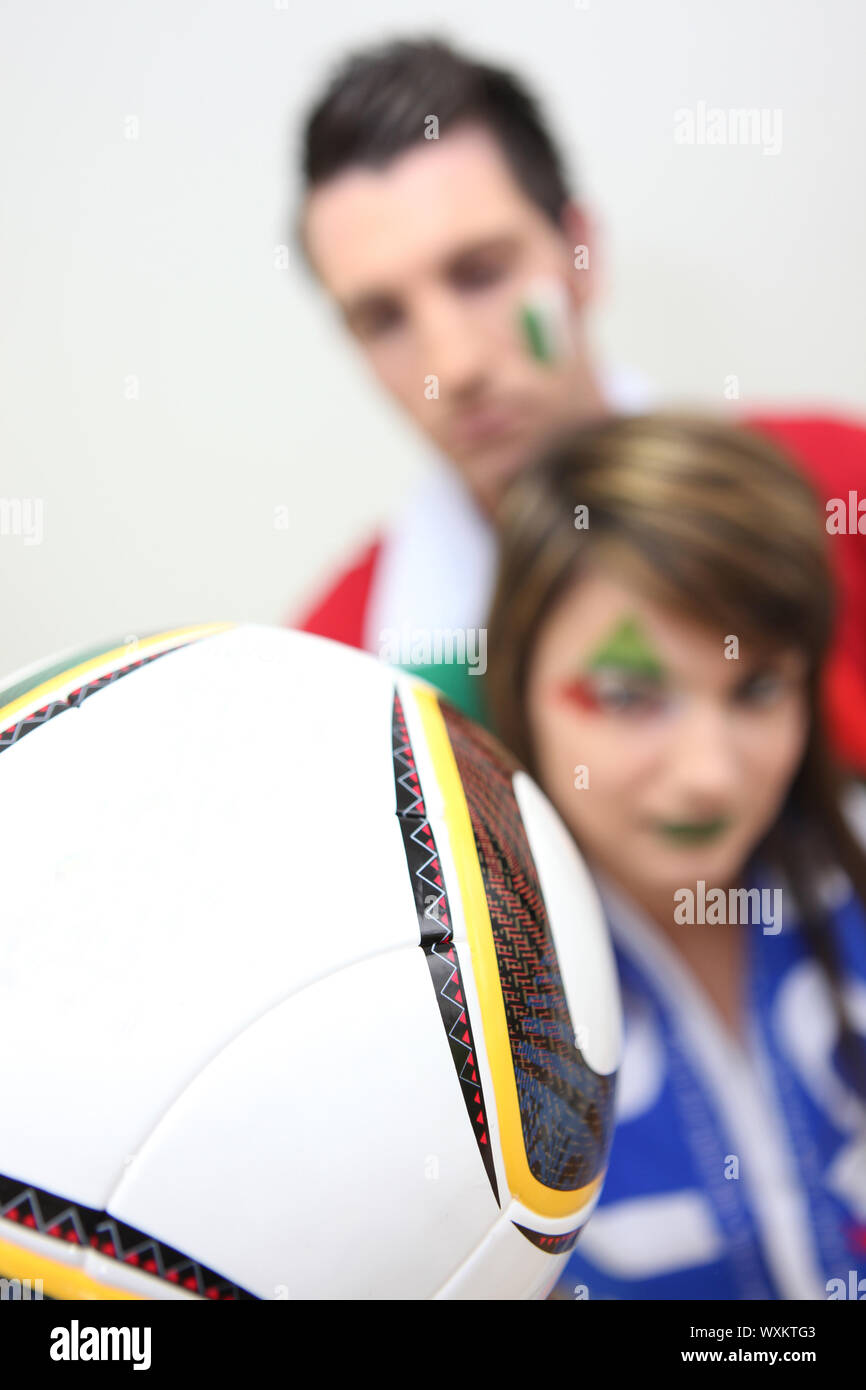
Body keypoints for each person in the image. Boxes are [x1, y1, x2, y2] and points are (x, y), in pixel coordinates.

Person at [288, 36, 866, 773]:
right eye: (384, 319)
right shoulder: (334, 670)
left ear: (581, 256)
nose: (454, 365)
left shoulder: (835, 492)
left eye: (481, 274)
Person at [484, 411, 866, 1299]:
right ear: (518, 686)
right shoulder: (451, 1011)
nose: (707, 775)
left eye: (758, 688)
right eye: (628, 695)